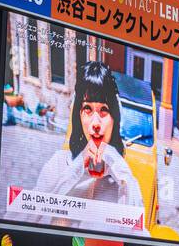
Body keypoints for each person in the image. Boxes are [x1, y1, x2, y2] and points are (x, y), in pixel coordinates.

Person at [33, 61, 145, 223]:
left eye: (104, 110)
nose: (96, 124)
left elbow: (139, 235)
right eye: (87, 109)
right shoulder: (58, 164)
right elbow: (22, 217)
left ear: (115, 118)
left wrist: (118, 166)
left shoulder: (122, 179)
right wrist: (77, 167)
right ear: (78, 115)